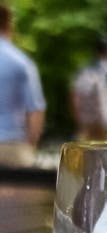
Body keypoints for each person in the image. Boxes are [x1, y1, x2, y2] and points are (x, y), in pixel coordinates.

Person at [0, 4, 45, 167]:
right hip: (12, 147)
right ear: (9, 25)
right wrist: (30, 145)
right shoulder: (22, 63)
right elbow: (36, 110)